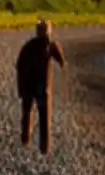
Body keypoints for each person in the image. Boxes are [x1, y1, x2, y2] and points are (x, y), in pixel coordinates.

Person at [15, 19, 66, 155]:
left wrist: (20, 87)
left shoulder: (28, 46)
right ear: (48, 31)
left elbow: (19, 66)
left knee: (26, 113)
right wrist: (61, 63)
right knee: (44, 118)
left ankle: (25, 139)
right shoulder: (50, 45)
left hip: (27, 85)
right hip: (42, 87)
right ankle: (44, 147)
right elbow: (61, 59)